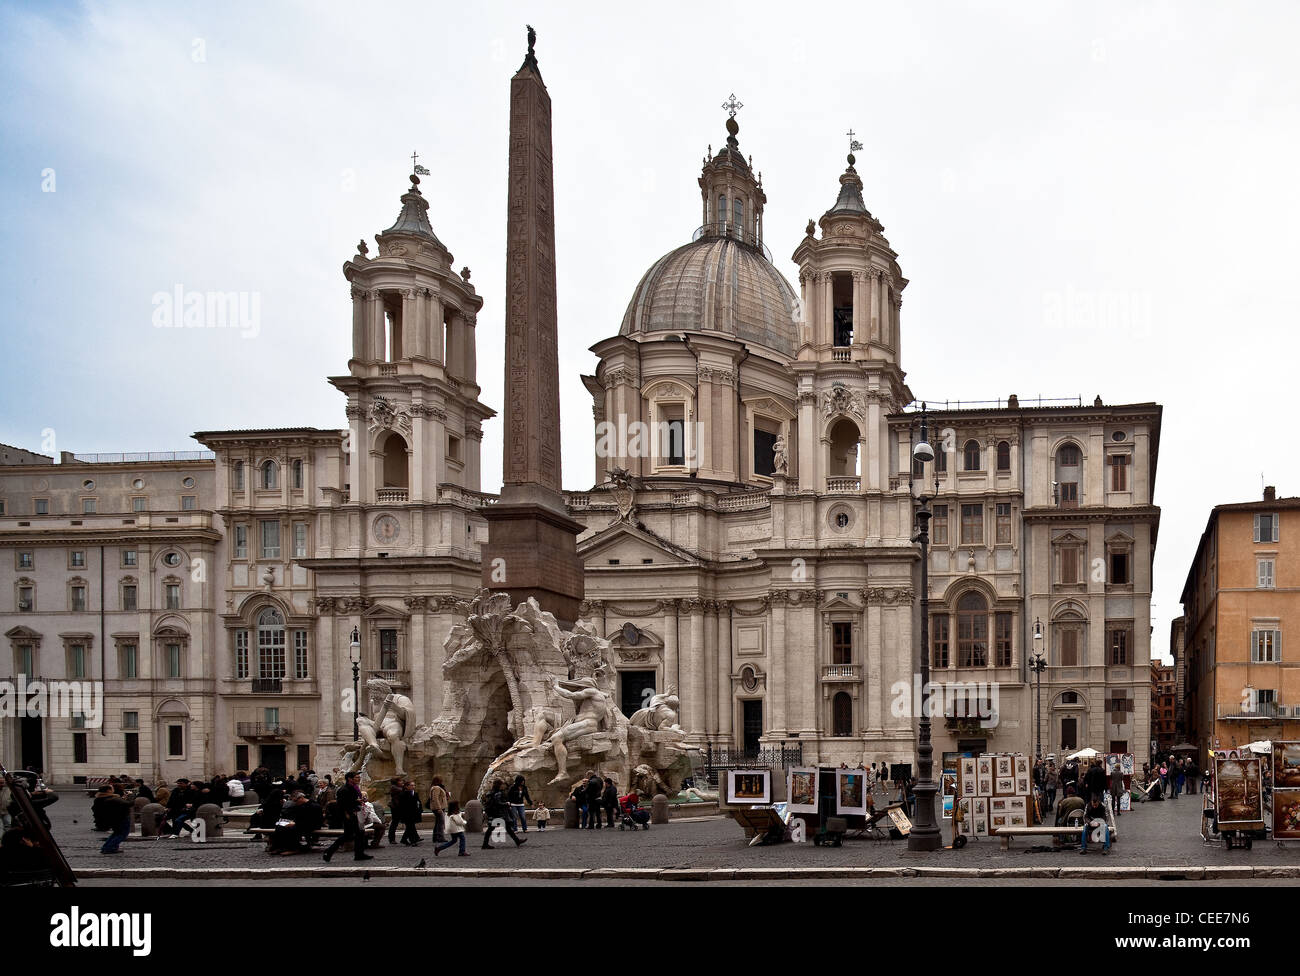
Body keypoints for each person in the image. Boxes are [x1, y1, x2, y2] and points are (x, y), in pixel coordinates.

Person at [322, 771, 373, 862]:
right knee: (348, 835)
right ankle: (329, 851)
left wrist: (358, 801)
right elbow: (342, 804)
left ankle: (359, 854)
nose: (359, 778)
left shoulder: (353, 788)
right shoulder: (344, 790)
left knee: (359, 834)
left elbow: (351, 800)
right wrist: (347, 814)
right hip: (349, 815)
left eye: (358, 777)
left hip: (354, 813)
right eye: (356, 777)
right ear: (350, 779)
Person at [482, 779, 526, 849]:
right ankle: (485, 844)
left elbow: (486, 802)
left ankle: (517, 841)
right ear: (499, 785)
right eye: (502, 784)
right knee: (493, 828)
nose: (503, 786)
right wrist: (506, 804)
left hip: (491, 813)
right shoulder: (498, 793)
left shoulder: (490, 792)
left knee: (502, 827)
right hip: (496, 814)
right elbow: (498, 803)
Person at [97, 788, 133, 855]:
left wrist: (123, 798)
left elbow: (120, 803)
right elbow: (129, 804)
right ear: (108, 791)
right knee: (122, 834)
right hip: (120, 818)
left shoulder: (104, 798)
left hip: (113, 818)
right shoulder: (113, 798)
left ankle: (107, 847)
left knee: (116, 833)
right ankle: (109, 848)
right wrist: (130, 796)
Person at [398, 781, 421, 846]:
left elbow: (418, 802)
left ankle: (404, 839)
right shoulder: (403, 794)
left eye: (414, 785)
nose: (413, 787)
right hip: (407, 814)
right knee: (410, 827)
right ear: (406, 786)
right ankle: (413, 841)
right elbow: (402, 805)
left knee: (410, 827)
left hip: (413, 813)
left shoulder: (415, 793)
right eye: (411, 785)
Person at [428, 777, 449, 842]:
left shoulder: (436, 787)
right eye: (441, 780)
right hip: (438, 808)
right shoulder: (436, 788)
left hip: (438, 807)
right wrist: (439, 808)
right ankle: (440, 837)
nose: (442, 781)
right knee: (441, 822)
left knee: (438, 822)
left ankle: (436, 837)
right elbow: (435, 798)